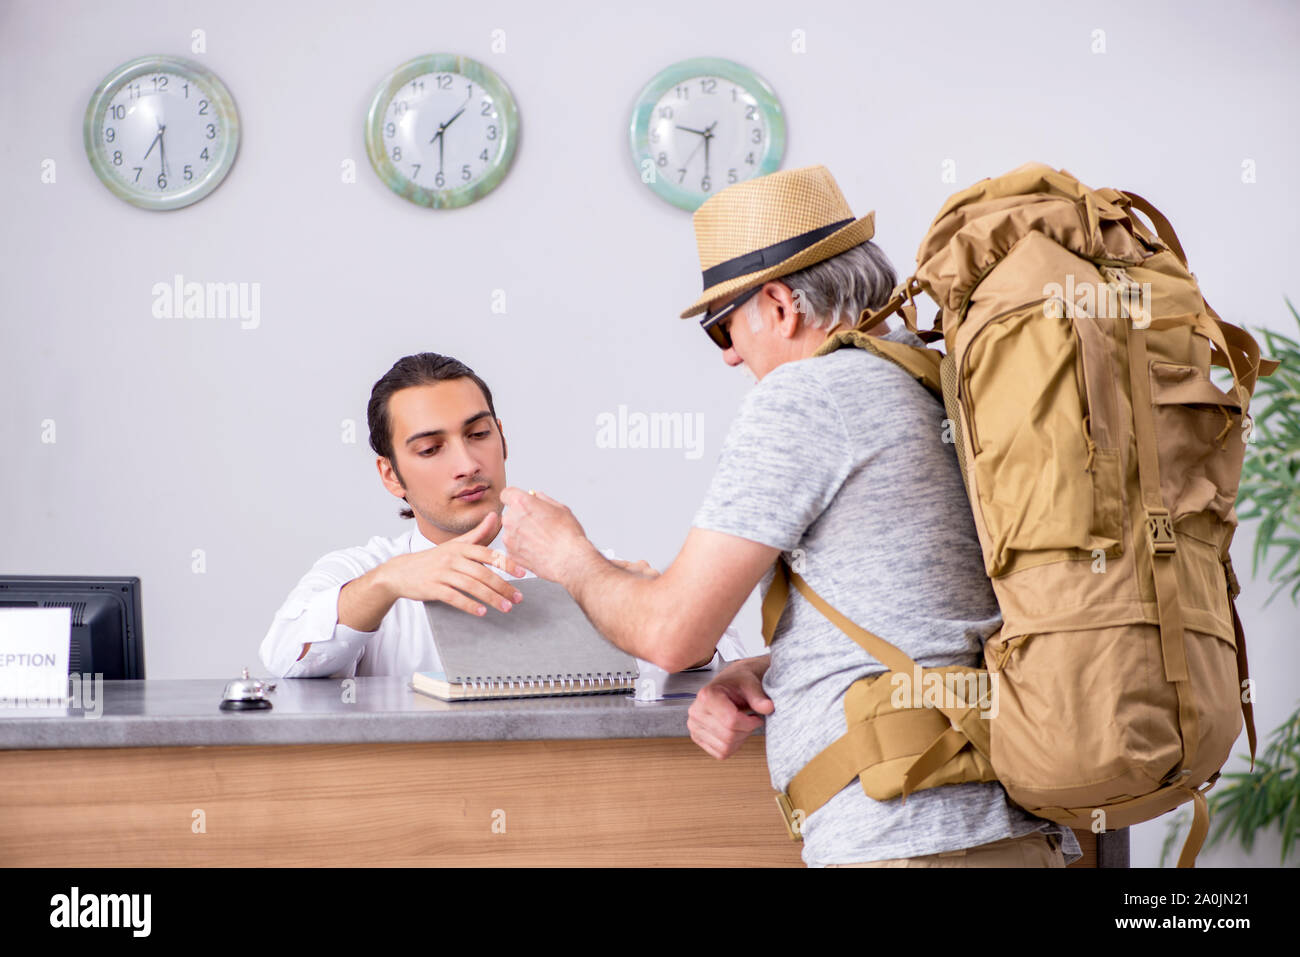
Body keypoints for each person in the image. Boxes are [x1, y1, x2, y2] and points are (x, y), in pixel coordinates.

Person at [499, 165, 1082, 867]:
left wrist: (569, 557)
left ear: (780, 306)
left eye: (723, 328)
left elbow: (671, 634)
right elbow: (937, 613)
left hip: (909, 842)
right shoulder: (933, 379)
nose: (730, 357)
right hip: (996, 826)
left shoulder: (810, 396)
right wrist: (781, 666)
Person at [259, 353, 733, 679]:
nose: (467, 464)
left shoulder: (578, 566)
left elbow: (718, 662)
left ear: (502, 439)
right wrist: (389, 582)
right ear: (391, 475)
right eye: (430, 448)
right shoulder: (359, 573)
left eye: (479, 434)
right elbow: (284, 659)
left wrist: (622, 593)